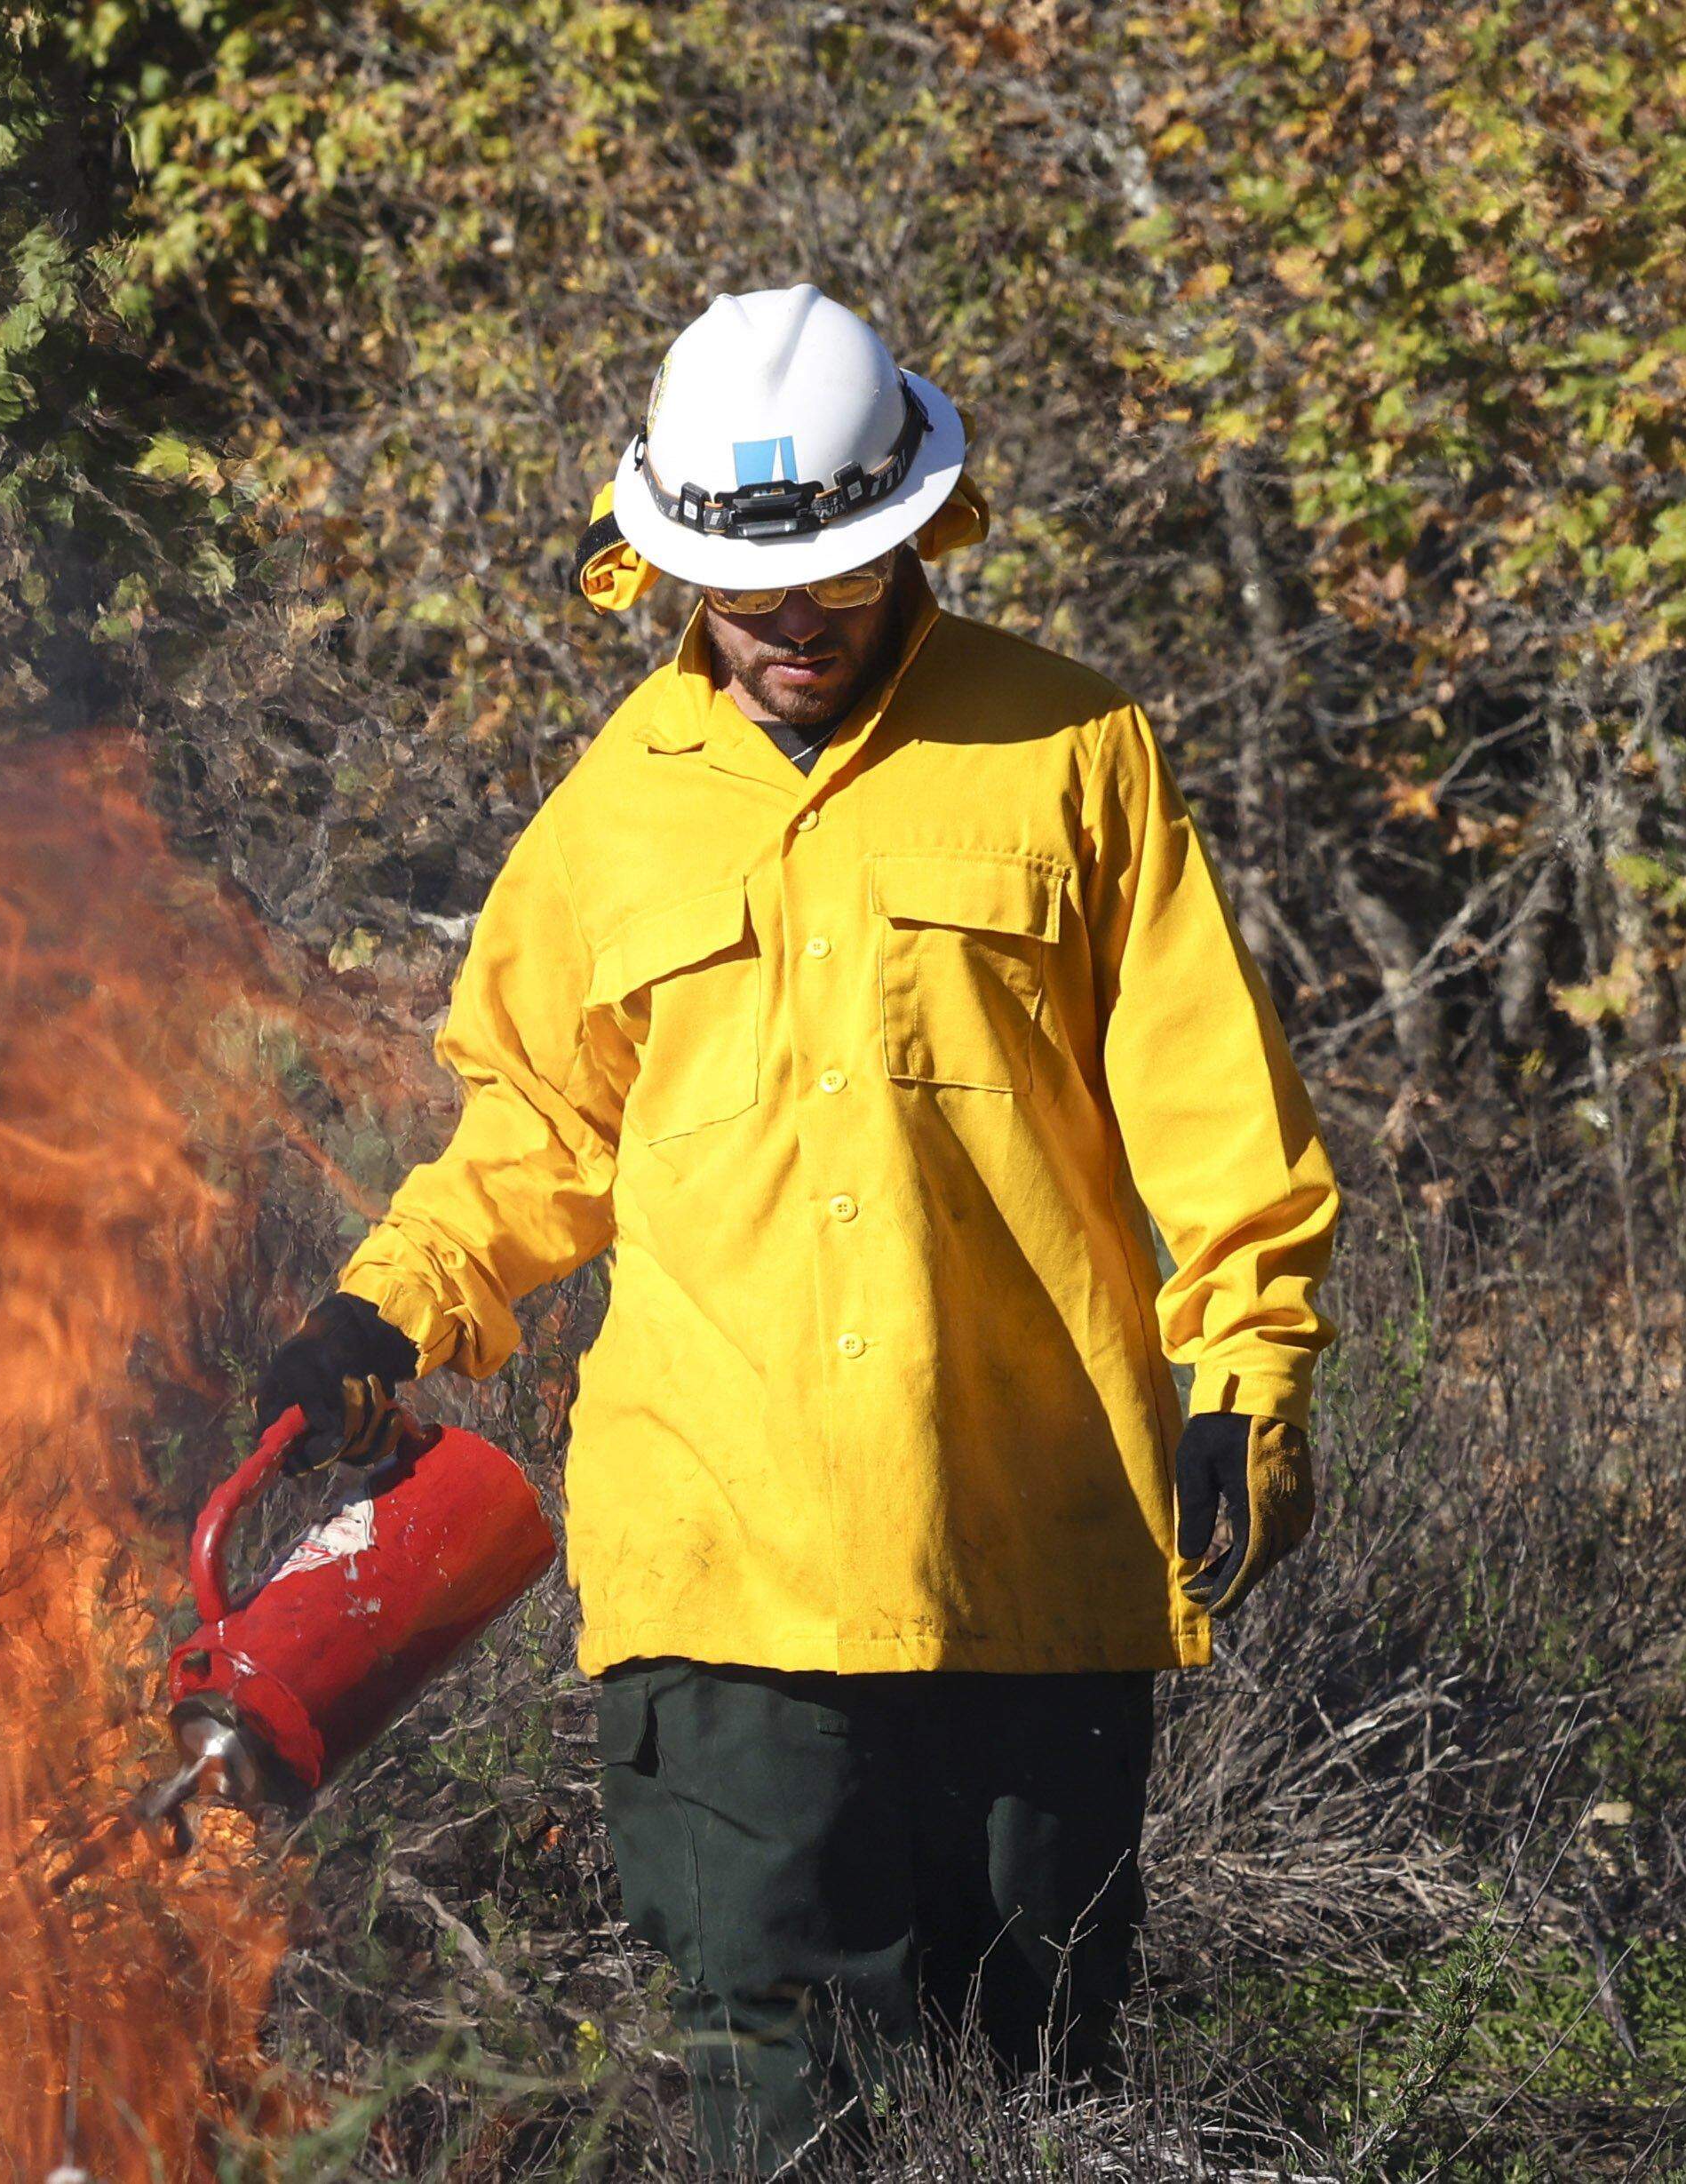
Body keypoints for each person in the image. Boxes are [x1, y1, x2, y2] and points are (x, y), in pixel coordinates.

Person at [255, 284, 1338, 2172]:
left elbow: (1216, 1120)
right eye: (748, 597)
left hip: (1030, 1540)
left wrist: (1240, 1380)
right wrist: (383, 1313)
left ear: (914, 529)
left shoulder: (1073, 752)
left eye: (830, 587)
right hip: (718, 1560)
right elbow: (533, 1135)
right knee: (777, 2086)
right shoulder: (610, 816)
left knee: (1035, 2080)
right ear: (670, 563)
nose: (785, 632)